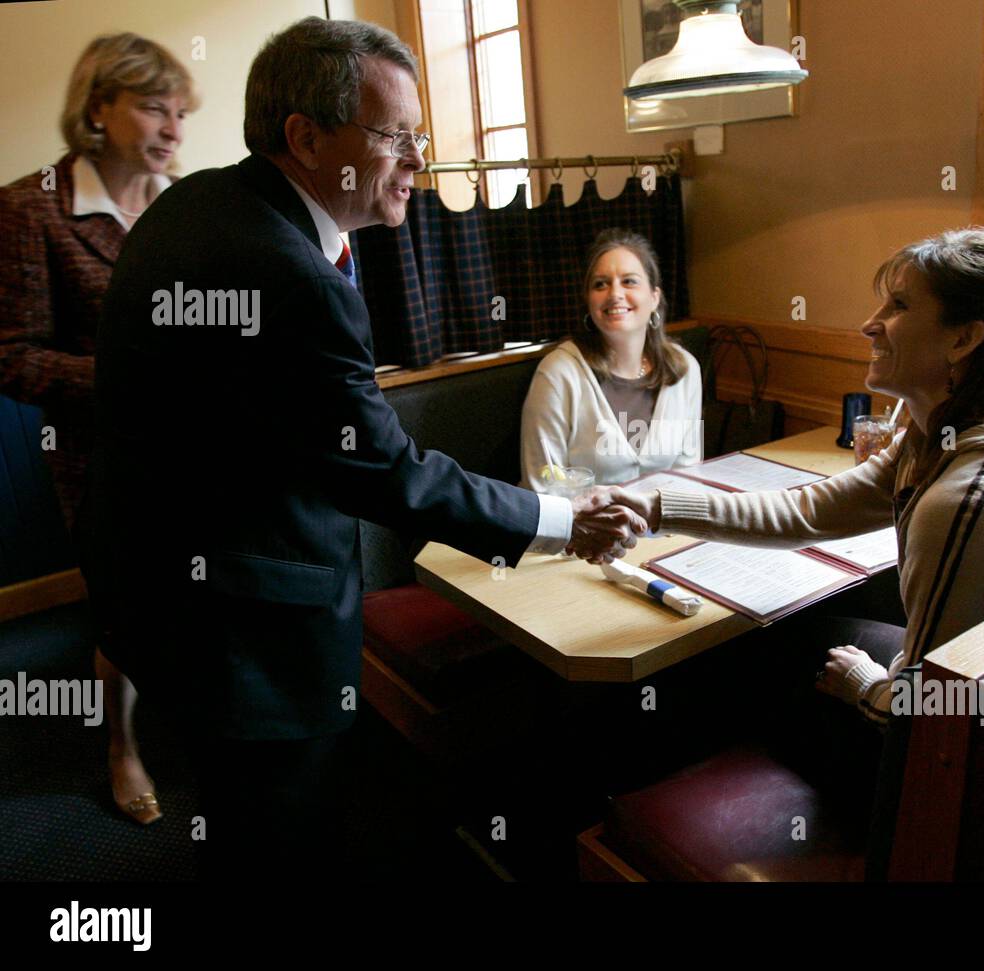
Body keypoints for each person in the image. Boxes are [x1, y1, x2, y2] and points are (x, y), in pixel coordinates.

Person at [89, 17, 643, 878]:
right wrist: (563, 520)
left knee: (238, 816)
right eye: (397, 136)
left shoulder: (199, 202)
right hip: (249, 633)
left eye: (420, 136)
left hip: (164, 592)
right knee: (282, 838)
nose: (421, 160)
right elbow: (382, 466)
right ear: (305, 137)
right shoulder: (290, 273)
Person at [609, 229, 984, 750]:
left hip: (978, 754)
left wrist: (867, 686)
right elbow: (808, 510)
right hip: (974, 700)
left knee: (735, 668)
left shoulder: (965, 503)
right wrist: (655, 505)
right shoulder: (965, 433)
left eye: (899, 305)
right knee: (785, 638)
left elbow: (933, 712)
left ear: (963, 339)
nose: (870, 324)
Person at [0, 32, 197, 826]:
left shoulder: (182, 201)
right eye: (154, 106)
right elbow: (10, 357)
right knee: (126, 606)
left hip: (200, 444)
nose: (173, 127)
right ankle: (121, 746)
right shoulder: (28, 207)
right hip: (103, 454)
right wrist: (124, 379)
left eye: (182, 111)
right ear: (97, 107)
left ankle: (192, 719)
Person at [519, 229, 702, 491]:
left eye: (629, 281)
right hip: (579, 530)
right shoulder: (558, 374)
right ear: (588, 302)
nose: (614, 293)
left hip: (665, 529)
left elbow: (689, 472)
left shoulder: (685, 369)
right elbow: (542, 487)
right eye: (600, 284)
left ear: (654, 297)